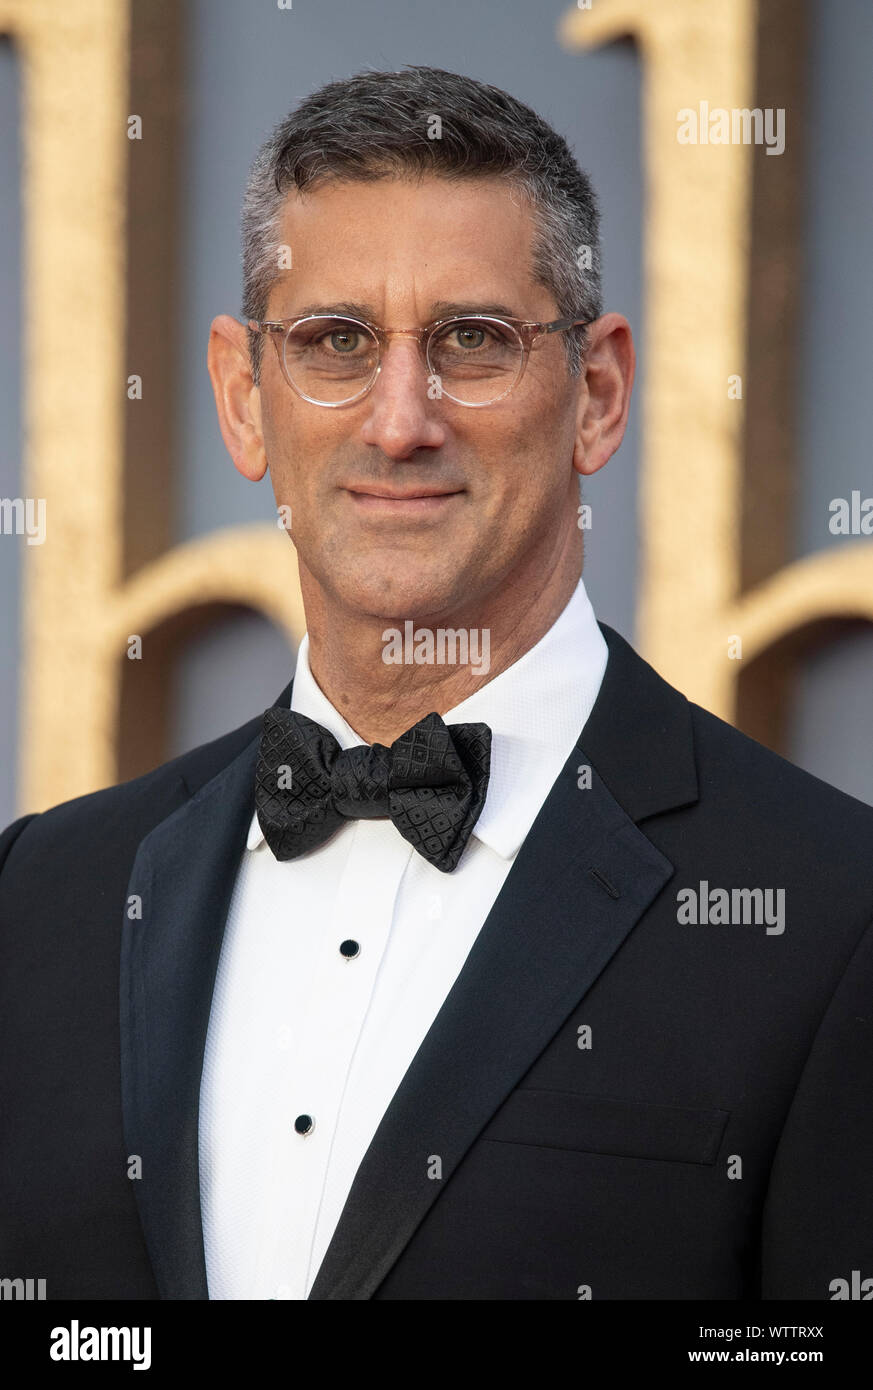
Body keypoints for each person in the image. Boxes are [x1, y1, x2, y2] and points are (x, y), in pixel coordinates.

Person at [1, 65, 871, 1302]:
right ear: (247, 400)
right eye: (336, 343)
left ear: (600, 393)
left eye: (472, 341)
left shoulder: (833, 916)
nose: (400, 420)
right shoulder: (43, 897)